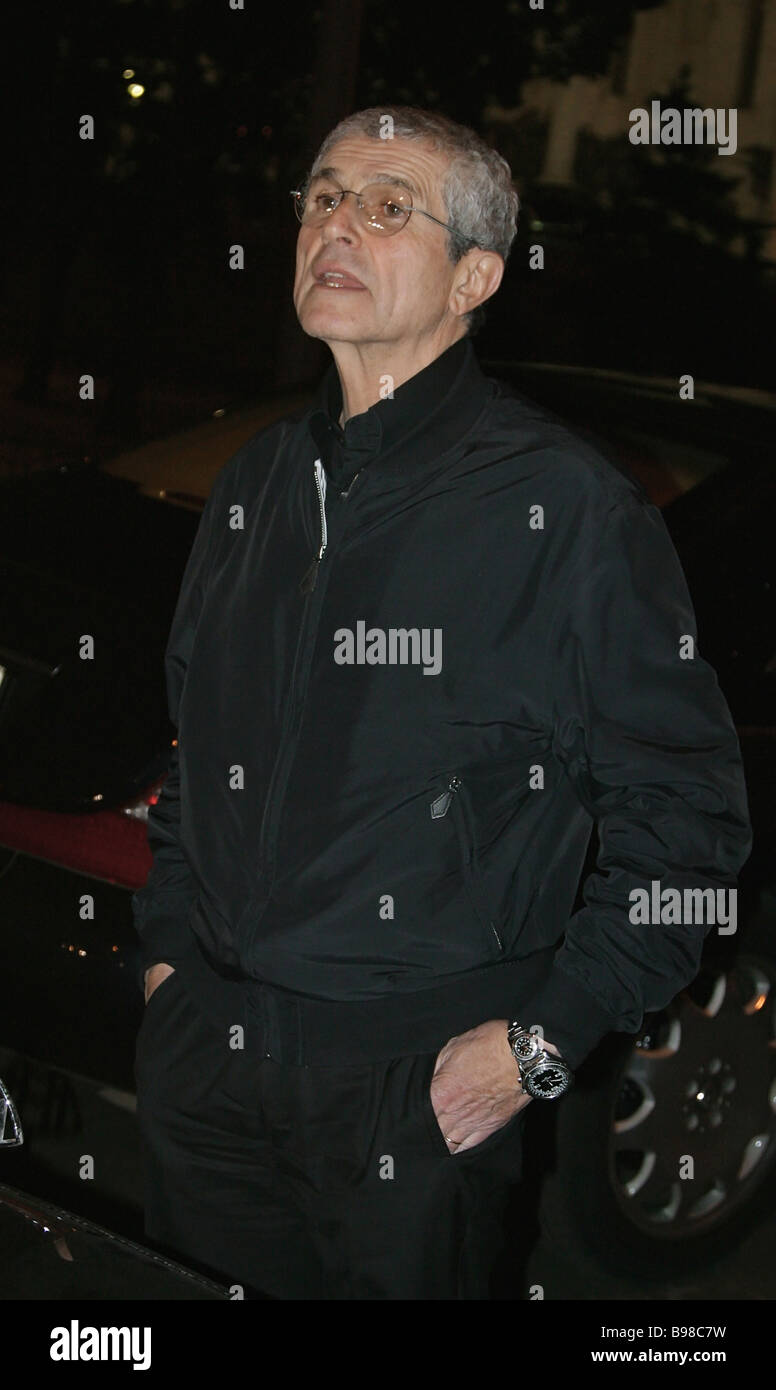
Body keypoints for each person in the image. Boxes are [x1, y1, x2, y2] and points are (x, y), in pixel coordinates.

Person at [132, 105, 751, 1300]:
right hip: (207, 1061)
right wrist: (168, 961)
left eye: (386, 205)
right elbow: (194, 744)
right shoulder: (259, 478)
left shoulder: (565, 509)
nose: (335, 225)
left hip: (407, 1089)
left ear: (474, 275)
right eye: (319, 197)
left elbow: (688, 825)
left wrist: (538, 1043)